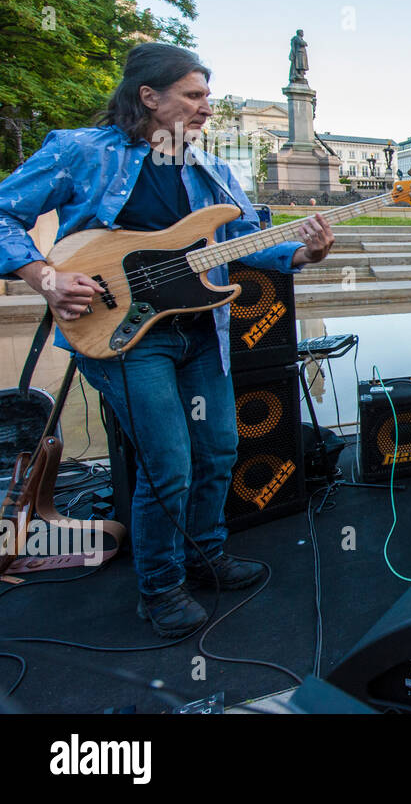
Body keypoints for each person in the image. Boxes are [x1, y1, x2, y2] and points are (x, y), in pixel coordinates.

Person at [0, 43, 335, 637]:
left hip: (200, 330)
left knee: (219, 451)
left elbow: (251, 241)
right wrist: (45, 276)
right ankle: (159, 590)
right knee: (168, 465)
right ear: (149, 97)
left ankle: (206, 555)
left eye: (207, 95)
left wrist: (303, 251)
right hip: (125, 334)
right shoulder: (81, 151)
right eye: (194, 95)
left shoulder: (211, 169)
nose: (207, 107)